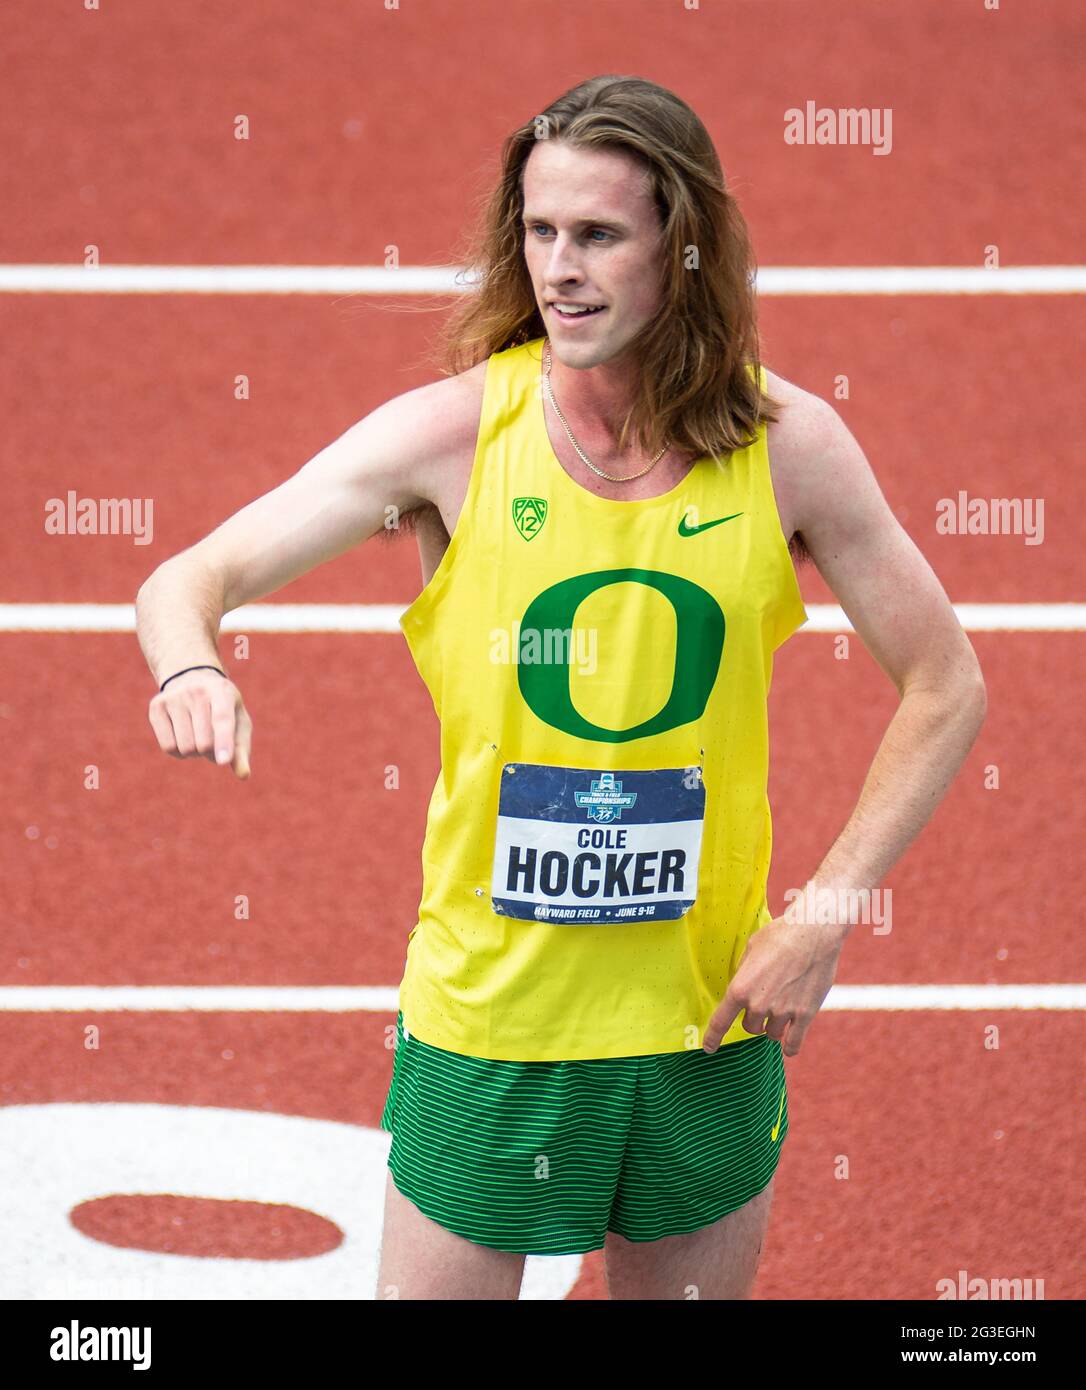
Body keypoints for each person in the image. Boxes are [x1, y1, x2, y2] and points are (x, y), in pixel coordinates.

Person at [135, 75, 986, 1300]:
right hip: (493, 1022)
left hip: (703, 1022)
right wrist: (193, 664)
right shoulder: (452, 438)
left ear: (682, 244)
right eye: (540, 232)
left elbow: (947, 684)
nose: (560, 269)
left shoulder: (787, 446)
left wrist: (822, 914)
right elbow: (190, 575)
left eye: (598, 234)